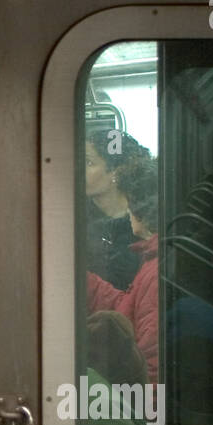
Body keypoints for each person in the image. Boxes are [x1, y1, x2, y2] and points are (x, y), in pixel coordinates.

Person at [86, 157, 160, 385]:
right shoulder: (152, 259)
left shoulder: (156, 271)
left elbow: (151, 362)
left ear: (141, 210)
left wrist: (143, 417)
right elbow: (129, 309)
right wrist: (84, 283)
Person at [84, 129, 152, 290]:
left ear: (116, 171)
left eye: (88, 163)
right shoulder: (74, 216)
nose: (79, 169)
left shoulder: (143, 220)